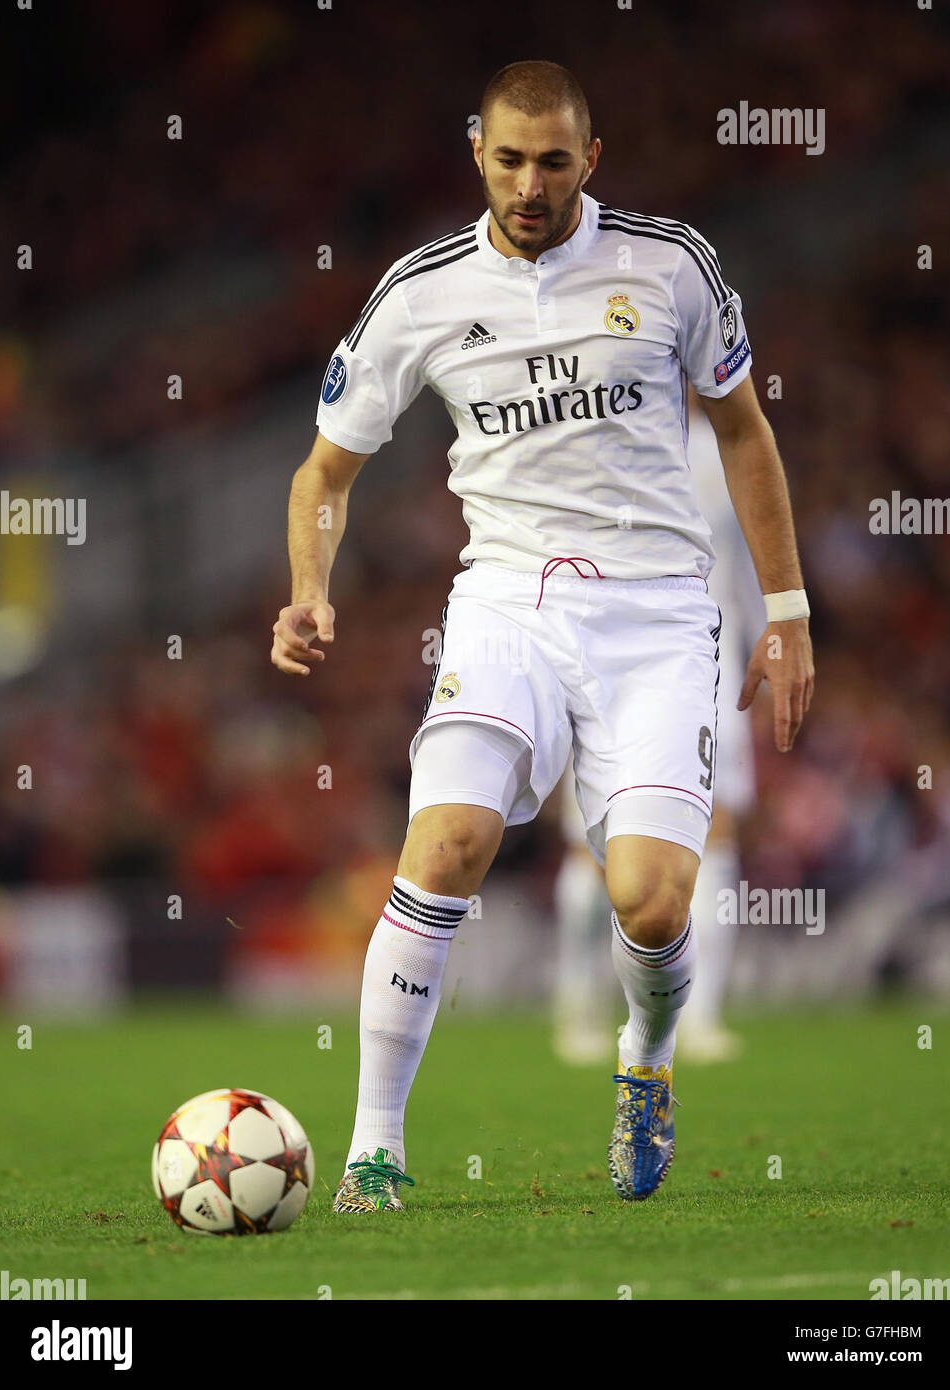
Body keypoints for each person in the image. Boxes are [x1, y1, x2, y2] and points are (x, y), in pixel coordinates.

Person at [272, 60, 814, 1209]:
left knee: (654, 901)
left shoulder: (669, 267)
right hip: (509, 602)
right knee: (445, 845)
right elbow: (325, 469)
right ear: (477, 149)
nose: (529, 184)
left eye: (553, 161)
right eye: (509, 159)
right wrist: (309, 586)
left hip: (660, 610)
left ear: (590, 159)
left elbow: (745, 432)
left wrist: (786, 610)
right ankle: (375, 1147)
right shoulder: (420, 291)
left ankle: (648, 1059)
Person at [551, 387, 766, 1067]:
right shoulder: (595, 442)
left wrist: (770, 640)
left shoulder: (732, 445)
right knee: (600, 840)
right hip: (607, 656)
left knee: (716, 824)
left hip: (710, 654)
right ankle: (576, 1001)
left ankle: (699, 1013)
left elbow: (750, 559)